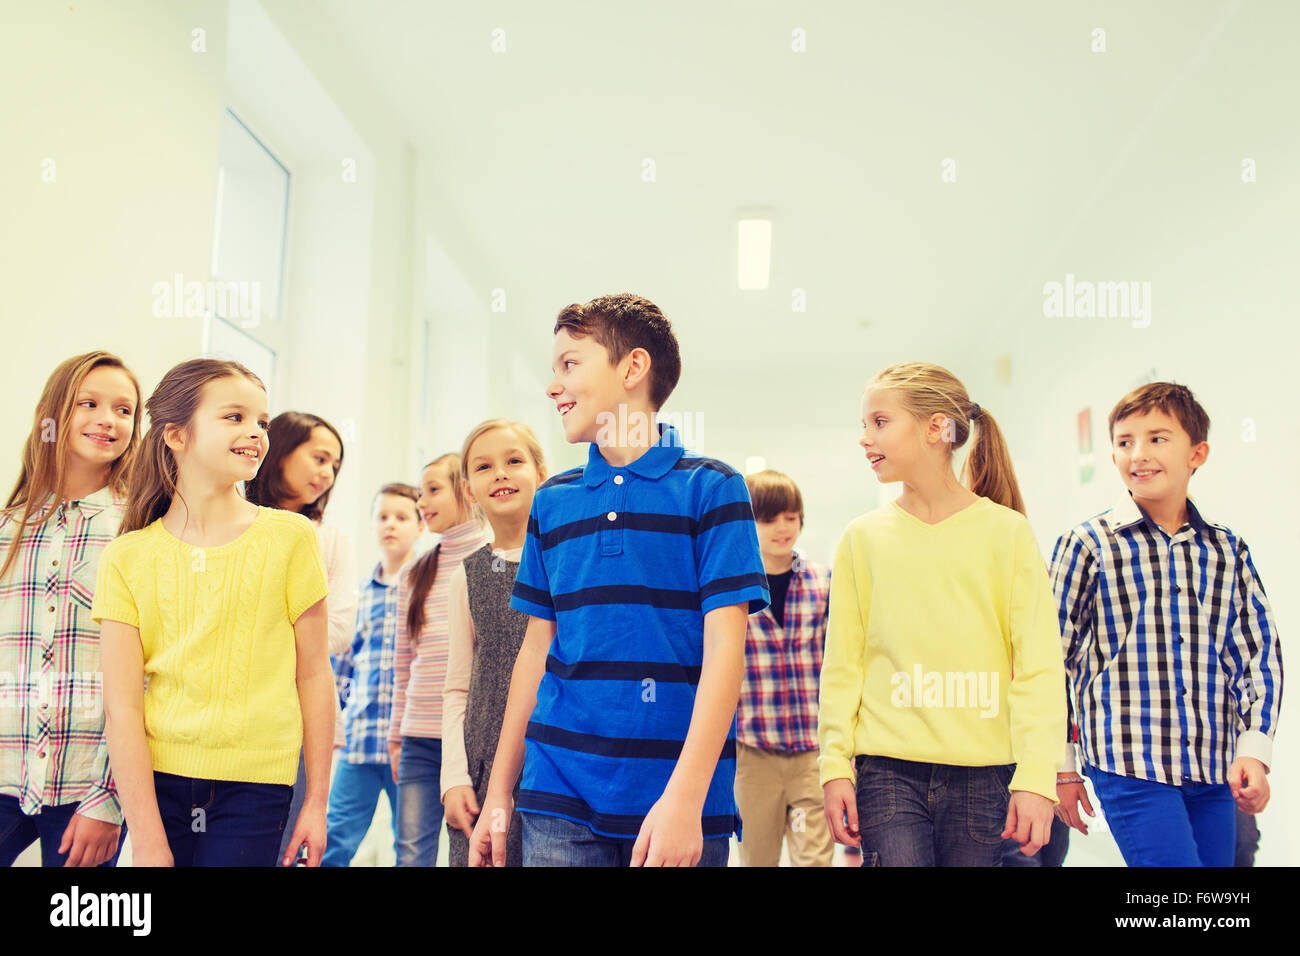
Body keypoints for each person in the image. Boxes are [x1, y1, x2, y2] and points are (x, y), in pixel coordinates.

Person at [468, 293, 768, 867]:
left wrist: (686, 799)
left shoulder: (713, 488)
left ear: (632, 368)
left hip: (676, 802)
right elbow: (535, 652)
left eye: (570, 364)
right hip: (555, 793)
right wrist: (500, 795)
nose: (552, 385)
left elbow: (726, 655)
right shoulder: (553, 499)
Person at [820, 362, 1065, 866]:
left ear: (936, 428)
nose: (865, 438)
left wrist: (1038, 776)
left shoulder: (1008, 534)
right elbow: (843, 667)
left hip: (985, 774)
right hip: (888, 772)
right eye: (864, 424)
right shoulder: (860, 540)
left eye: (880, 422)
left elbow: (1039, 668)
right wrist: (834, 767)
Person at [93, 359, 332, 866]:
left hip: (258, 786)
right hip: (158, 784)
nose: (255, 433)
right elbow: (122, 708)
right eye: (235, 417)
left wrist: (316, 802)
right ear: (176, 435)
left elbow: (314, 675)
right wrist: (148, 840)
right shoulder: (127, 556)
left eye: (262, 422)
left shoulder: (292, 537)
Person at [1052, 383, 1281, 867]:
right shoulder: (1087, 545)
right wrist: (1062, 768)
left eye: (1157, 438)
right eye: (1124, 441)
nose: (1138, 454)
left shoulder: (1227, 550)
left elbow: (1258, 656)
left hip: (1213, 765)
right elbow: (1049, 662)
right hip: (1128, 762)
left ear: (1198, 453)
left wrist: (1255, 750)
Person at [0, 352, 141, 866]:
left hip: (86, 789)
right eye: (90, 403)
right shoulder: (7, 529)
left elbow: (149, 675)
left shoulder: (139, 533)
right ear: (52, 415)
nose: (109, 419)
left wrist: (110, 798)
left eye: (124, 410)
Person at [245, 411, 356, 864]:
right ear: (281, 450)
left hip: (301, 719)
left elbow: (340, 629)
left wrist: (260, 634)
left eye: (334, 464)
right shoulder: (239, 525)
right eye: (319, 457)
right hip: (233, 717)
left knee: (285, 849)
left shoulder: (328, 539)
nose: (326, 473)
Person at [442, 419, 547, 867]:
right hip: (481, 773)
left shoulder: (566, 563)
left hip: (552, 767)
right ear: (469, 490)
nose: (500, 473)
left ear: (542, 475)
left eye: (514, 461)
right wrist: (454, 777)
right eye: (484, 467)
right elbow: (457, 688)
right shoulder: (466, 575)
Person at [388, 454, 487, 865]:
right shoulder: (415, 573)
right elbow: (402, 662)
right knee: (411, 852)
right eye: (420, 492)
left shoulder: (489, 560)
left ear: (465, 490)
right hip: (419, 738)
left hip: (471, 739)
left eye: (433, 490)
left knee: (469, 850)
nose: (421, 502)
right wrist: (396, 734)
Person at [734, 469, 834, 867]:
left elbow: (841, 667)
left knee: (815, 860)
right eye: (769, 518)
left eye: (790, 517)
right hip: (753, 753)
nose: (782, 528)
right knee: (757, 858)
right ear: (748, 523)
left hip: (814, 751)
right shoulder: (733, 591)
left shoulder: (824, 584)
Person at [322, 483, 422, 866]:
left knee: (411, 847)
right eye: (382, 517)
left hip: (411, 745)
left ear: (420, 525)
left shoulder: (429, 589)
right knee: (334, 838)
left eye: (401, 517)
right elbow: (342, 668)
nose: (390, 525)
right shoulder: (359, 595)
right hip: (359, 739)